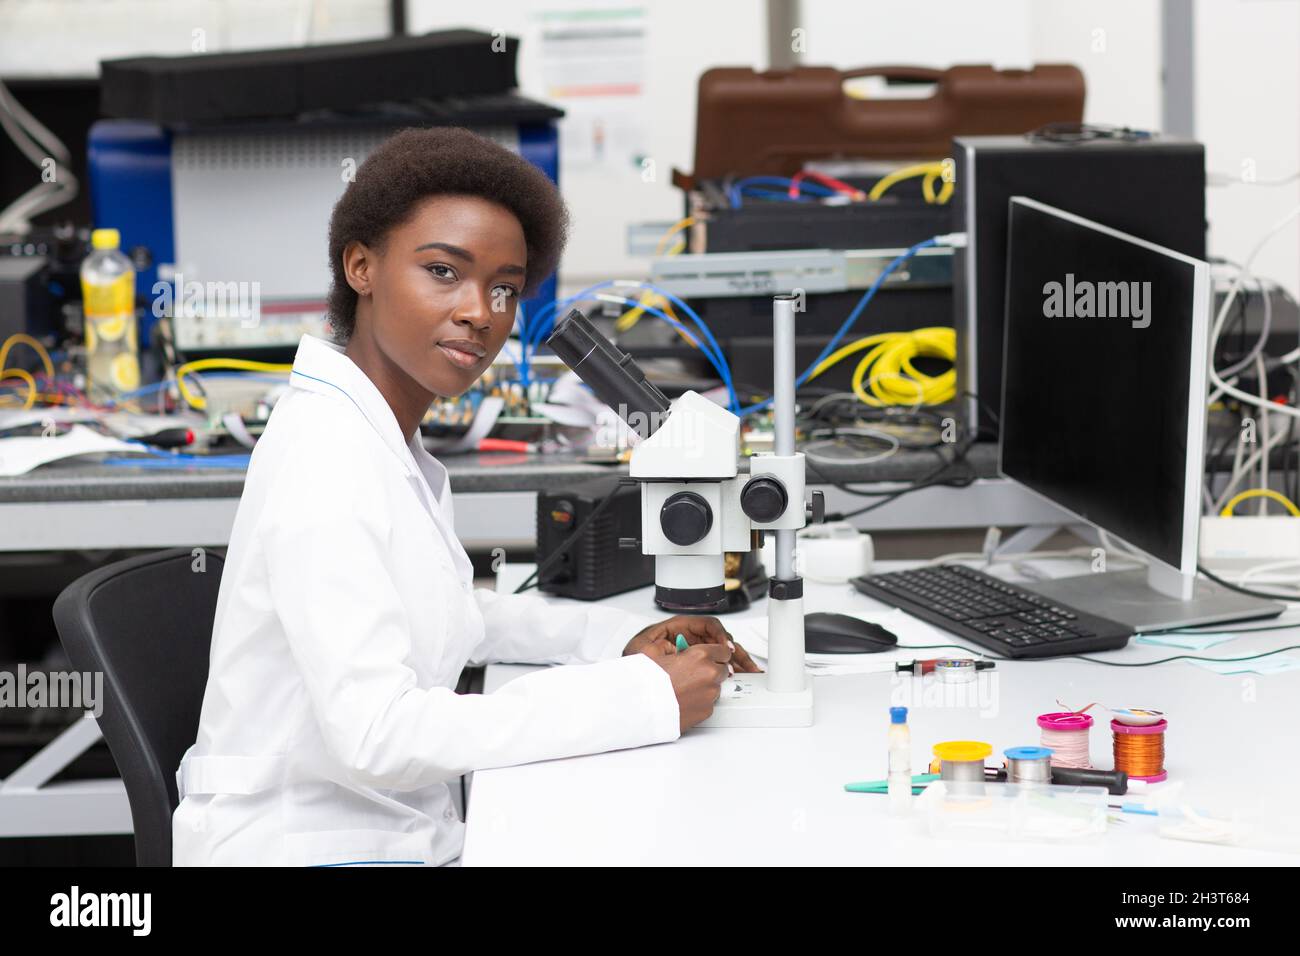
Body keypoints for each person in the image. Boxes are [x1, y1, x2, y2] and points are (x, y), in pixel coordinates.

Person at [172, 127, 759, 866]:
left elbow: (446, 613)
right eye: (444, 271)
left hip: (384, 826)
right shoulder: (326, 457)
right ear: (362, 266)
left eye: (504, 288)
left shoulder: (382, 436)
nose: (481, 311)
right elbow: (378, 735)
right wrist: (640, 698)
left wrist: (613, 644)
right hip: (305, 844)